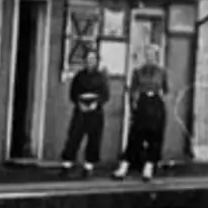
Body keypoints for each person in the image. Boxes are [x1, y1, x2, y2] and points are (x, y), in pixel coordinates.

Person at [114, 44, 169, 183]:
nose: (150, 58)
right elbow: (133, 90)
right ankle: (124, 166)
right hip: (143, 103)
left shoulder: (162, 72)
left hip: (156, 103)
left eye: (153, 55)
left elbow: (166, 90)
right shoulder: (138, 71)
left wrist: (161, 102)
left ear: (157, 57)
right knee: (135, 136)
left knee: (155, 137)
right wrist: (134, 106)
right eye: (148, 55)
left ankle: (149, 167)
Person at [59, 50, 110, 179]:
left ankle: (88, 166)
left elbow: (105, 94)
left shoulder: (101, 77)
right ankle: (67, 164)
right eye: (88, 59)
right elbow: (73, 93)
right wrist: (79, 103)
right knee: (74, 136)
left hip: (95, 111)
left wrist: (96, 103)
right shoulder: (79, 76)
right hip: (80, 110)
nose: (90, 62)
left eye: (93, 59)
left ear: (97, 61)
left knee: (94, 138)